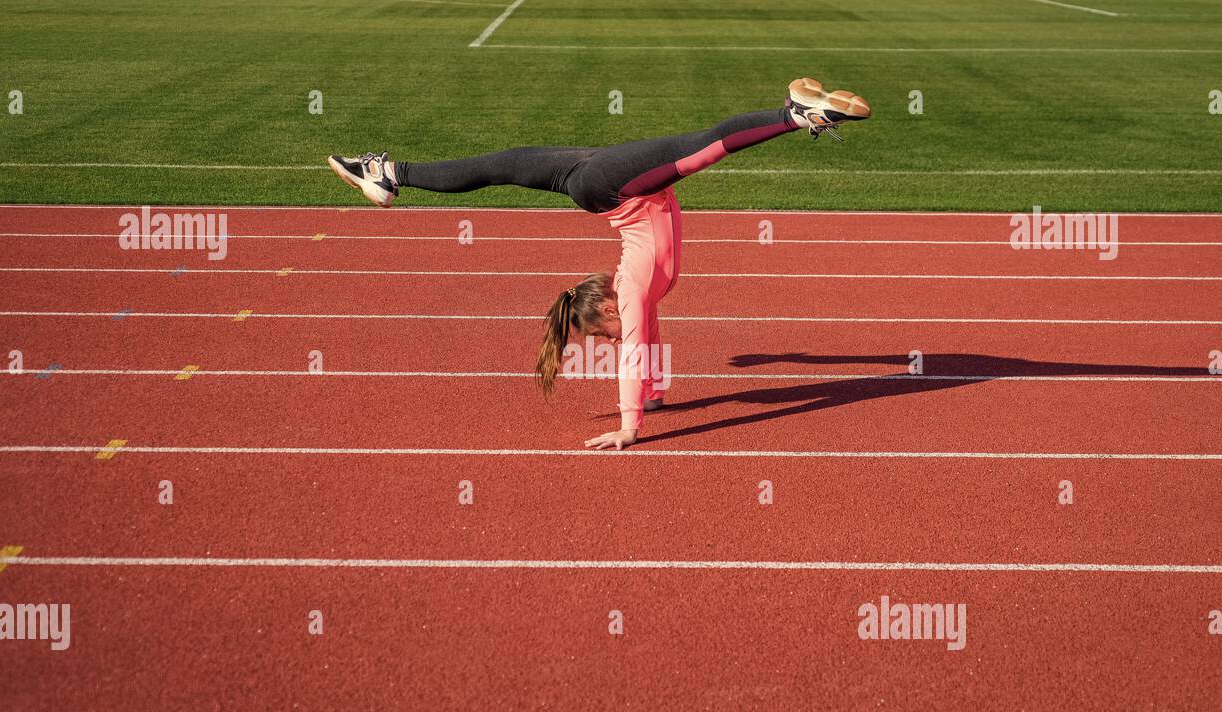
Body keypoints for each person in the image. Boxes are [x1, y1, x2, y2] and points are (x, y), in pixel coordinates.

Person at [328, 78, 870, 449]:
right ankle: (388, 173)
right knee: (500, 166)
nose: (613, 339)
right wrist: (653, 399)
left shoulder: (632, 287)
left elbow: (635, 348)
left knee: (703, 147)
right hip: (596, 181)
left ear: (607, 303)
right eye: (606, 339)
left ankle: (794, 116)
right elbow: (648, 340)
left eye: (602, 332)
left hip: (608, 184)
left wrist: (628, 427)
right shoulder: (643, 297)